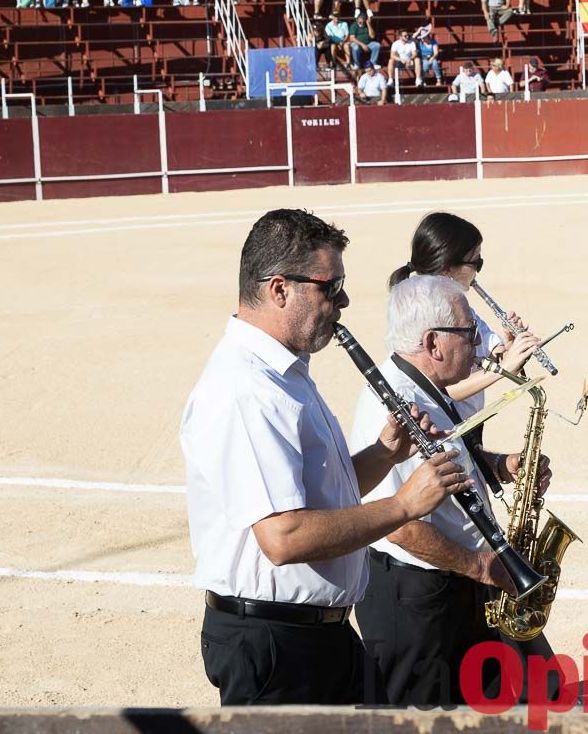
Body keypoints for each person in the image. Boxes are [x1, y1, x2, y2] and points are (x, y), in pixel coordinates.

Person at [183, 208, 471, 706]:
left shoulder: (282, 372)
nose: (344, 300)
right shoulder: (246, 390)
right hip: (278, 650)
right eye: (330, 287)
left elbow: (320, 494)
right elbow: (283, 536)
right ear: (280, 289)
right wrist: (403, 505)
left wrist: (384, 454)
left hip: (317, 638)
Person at [350, 274, 553, 705]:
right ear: (433, 343)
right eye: (469, 333)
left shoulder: (426, 387)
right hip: (418, 602)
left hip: (451, 584)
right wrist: (481, 567)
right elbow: (398, 526)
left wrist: (501, 466)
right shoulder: (392, 403)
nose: (480, 343)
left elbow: (448, 465)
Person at [388, 212, 540, 420]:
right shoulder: (420, 314)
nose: (478, 271)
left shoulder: (460, 309)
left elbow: (489, 357)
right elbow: (440, 392)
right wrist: (503, 369)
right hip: (443, 428)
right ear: (448, 267)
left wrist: (511, 346)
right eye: (476, 263)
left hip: (466, 425)